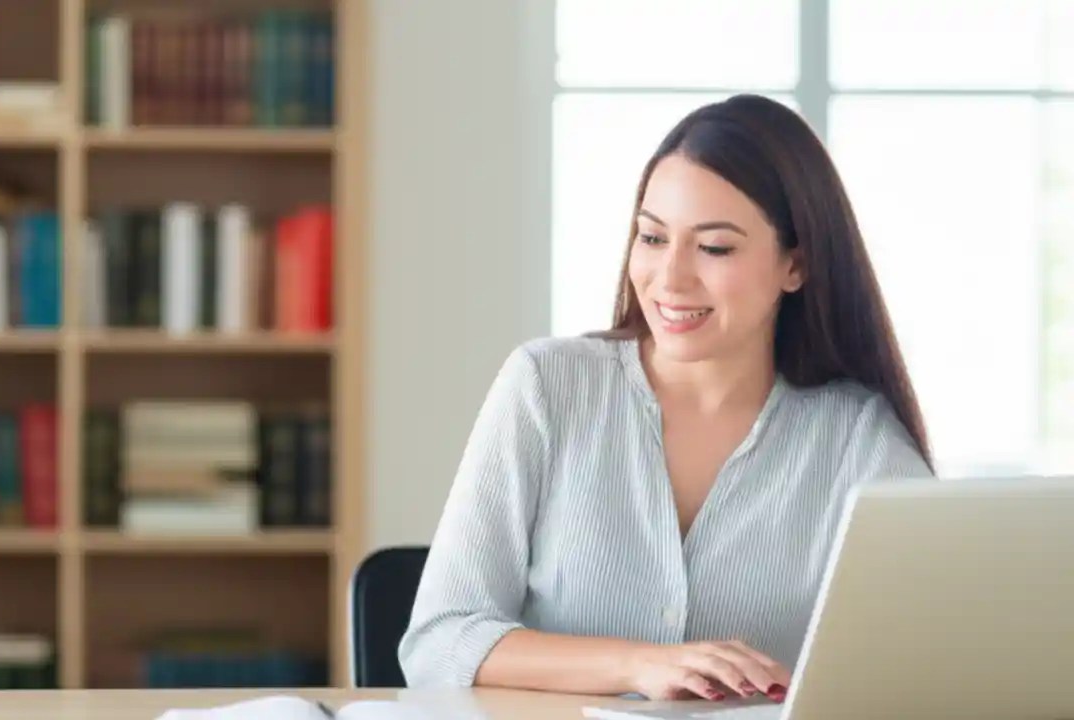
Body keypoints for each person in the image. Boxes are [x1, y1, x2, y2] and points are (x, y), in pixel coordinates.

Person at [396, 94, 935, 703]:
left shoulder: (857, 437)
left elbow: (937, 652)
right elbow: (439, 642)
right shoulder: (547, 387)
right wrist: (639, 666)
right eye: (652, 238)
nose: (669, 278)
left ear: (796, 265)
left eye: (714, 247)